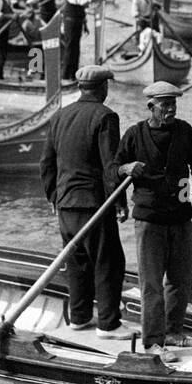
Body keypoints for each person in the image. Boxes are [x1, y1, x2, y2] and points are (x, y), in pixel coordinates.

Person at [117, 81, 192, 357]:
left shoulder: (185, 131)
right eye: (165, 105)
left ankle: (174, 331)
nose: (170, 109)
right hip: (150, 220)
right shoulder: (135, 135)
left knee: (181, 279)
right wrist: (126, 167)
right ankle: (153, 342)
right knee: (152, 284)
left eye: (173, 104)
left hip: (182, 216)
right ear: (151, 107)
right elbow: (114, 168)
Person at [39, 65, 127, 336]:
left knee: (76, 263)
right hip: (94, 204)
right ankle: (108, 324)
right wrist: (120, 201)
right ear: (103, 88)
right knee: (108, 261)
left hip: (65, 203)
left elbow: (46, 163)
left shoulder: (60, 115)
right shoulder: (105, 116)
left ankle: (79, 317)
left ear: (79, 88)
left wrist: (53, 196)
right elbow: (110, 165)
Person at [61, 0, 107, 81]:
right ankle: (65, 75)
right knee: (70, 49)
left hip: (77, 24)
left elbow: (82, 11)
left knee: (76, 49)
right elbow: (83, 1)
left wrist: (85, 25)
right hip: (70, 25)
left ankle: (73, 74)